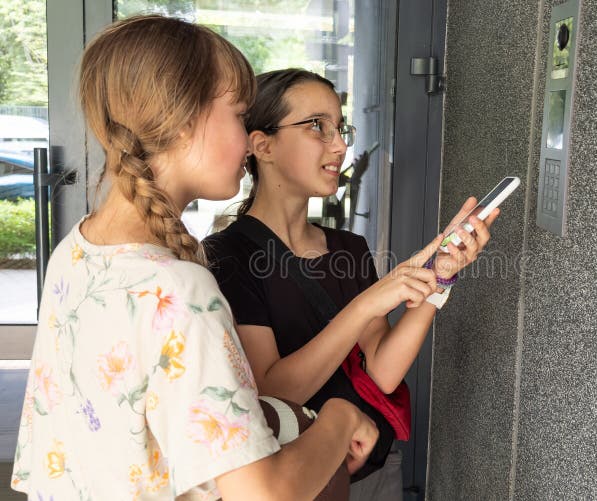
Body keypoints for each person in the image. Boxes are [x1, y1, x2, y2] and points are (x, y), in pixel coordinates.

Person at [11, 16, 377, 501]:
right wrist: (339, 417)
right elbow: (264, 493)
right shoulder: (179, 289)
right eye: (239, 115)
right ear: (186, 122)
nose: (249, 140)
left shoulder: (73, 252)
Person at [202, 69, 499, 500]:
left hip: (375, 471)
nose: (340, 145)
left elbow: (381, 370)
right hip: (298, 479)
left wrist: (439, 276)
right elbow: (271, 392)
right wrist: (365, 305)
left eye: (340, 128)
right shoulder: (227, 256)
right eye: (317, 127)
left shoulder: (348, 247)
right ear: (262, 145)